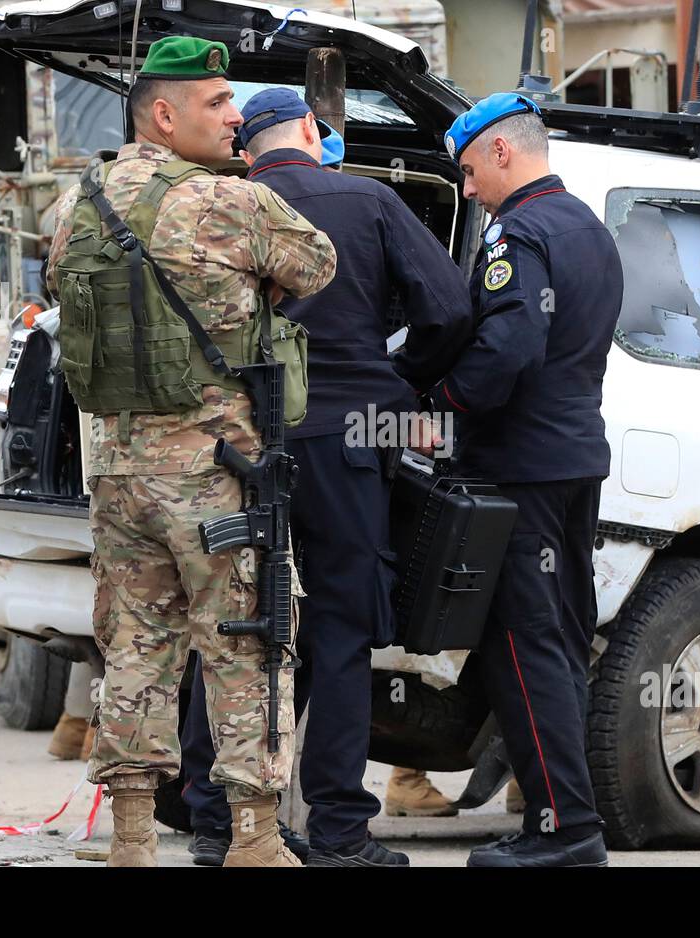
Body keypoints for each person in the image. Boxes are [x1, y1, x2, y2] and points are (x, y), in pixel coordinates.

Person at [46, 39, 337, 868]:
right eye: (217, 103)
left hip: (118, 472)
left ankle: (132, 837)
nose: (237, 116)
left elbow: (61, 293)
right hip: (219, 477)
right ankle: (252, 836)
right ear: (164, 116)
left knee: (134, 646)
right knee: (246, 640)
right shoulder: (229, 202)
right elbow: (318, 264)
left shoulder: (78, 204)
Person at [180, 88, 472, 867]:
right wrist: (390, 376)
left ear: (245, 146)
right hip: (347, 446)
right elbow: (448, 309)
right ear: (314, 131)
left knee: (237, 632)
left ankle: (217, 821)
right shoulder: (367, 200)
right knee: (339, 635)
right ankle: (341, 832)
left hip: (239, 454)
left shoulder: (215, 206)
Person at [428, 92, 623, 867]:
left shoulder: (522, 231)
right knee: (561, 642)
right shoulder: (589, 228)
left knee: (525, 646)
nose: (469, 191)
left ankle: (566, 833)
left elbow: (509, 347)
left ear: (503, 152)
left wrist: (443, 401)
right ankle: (559, 821)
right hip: (574, 463)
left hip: (522, 471)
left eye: (471, 172)